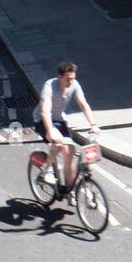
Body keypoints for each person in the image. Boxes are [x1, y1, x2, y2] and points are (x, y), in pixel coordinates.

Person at [35, 62, 99, 192]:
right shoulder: (49, 86)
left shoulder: (74, 85)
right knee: (58, 143)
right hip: (43, 120)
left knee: (70, 153)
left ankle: (70, 191)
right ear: (59, 77)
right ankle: (46, 169)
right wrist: (50, 131)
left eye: (73, 78)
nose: (71, 82)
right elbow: (45, 111)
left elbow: (83, 104)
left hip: (59, 119)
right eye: (68, 79)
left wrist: (93, 125)